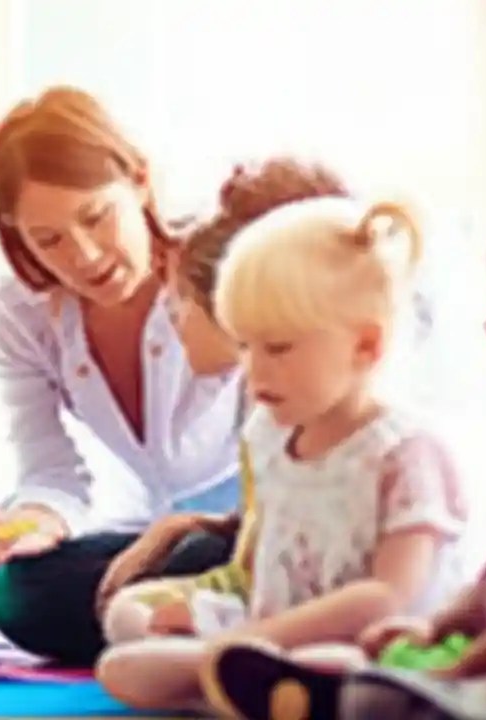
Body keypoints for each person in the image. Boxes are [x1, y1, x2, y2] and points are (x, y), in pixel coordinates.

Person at [96, 197, 467, 713]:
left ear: (366, 346)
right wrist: (225, 627)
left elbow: (388, 595)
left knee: (342, 668)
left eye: (278, 349)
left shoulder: (405, 452)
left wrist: (256, 638)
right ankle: (246, 688)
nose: (254, 371)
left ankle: (250, 684)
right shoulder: (268, 433)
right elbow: (265, 563)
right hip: (263, 631)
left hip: (368, 647)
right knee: (125, 650)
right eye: (244, 346)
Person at [0, 85, 244, 666]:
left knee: (209, 561)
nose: (85, 256)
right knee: (17, 594)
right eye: (48, 240)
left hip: (252, 529)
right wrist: (19, 527)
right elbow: (52, 473)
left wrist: (169, 539)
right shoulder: (23, 313)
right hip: (161, 549)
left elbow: (288, 452)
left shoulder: (221, 265)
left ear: (140, 180)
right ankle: (189, 630)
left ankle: (174, 625)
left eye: (97, 217)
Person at [216, 220, 486, 720]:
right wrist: (437, 630)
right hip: (476, 659)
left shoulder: (405, 449)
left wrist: (465, 674)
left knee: (359, 682)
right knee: (364, 680)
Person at [98, 158, 350, 645]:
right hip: (252, 583)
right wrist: (183, 524)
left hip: (315, 603)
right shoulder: (262, 413)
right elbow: (263, 521)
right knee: (119, 608)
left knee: (184, 566)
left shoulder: (345, 419)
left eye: (182, 302)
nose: (172, 319)